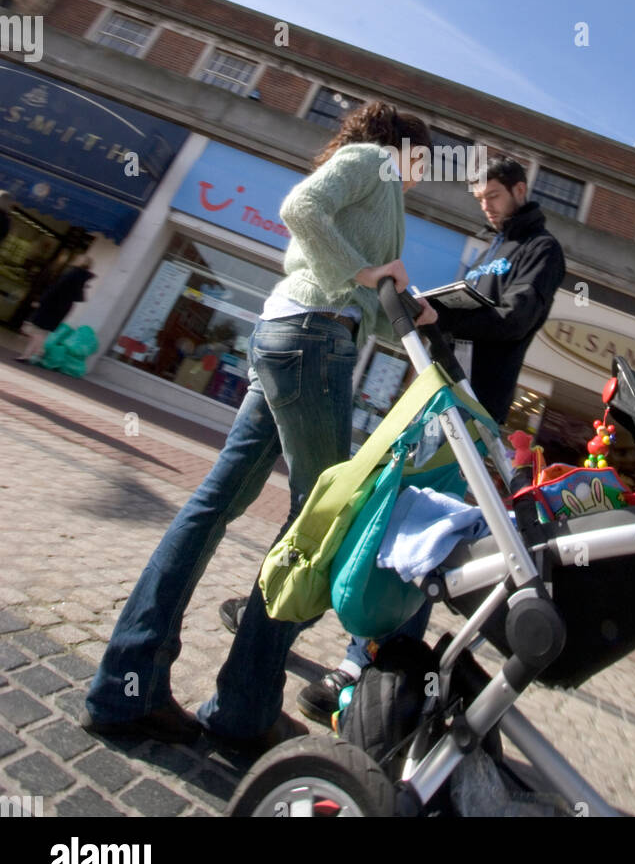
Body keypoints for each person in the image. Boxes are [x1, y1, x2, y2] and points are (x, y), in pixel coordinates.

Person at [83, 101, 436, 751]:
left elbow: (366, 304)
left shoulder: (381, 196)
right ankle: (243, 710)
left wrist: (416, 312)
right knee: (318, 522)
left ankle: (125, 684)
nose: (420, 176)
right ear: (405, 148)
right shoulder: (373, 163)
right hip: (313, 340)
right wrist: (366, 273)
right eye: (423, 163)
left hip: (294, 335)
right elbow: (301, 208)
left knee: (216, 502)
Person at [292, 152, 567, 723]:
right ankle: (380, 669)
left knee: (424, 536)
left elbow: (513, 319)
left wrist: (443, 318)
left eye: (493, 197)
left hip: (471, 411)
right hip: (434, 397)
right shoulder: (491, 246)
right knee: (403, 527)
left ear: (519, 189)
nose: (486, 208)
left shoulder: (541, 252)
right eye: (479, 201)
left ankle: (365, 673)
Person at [16, 254, 94, 363]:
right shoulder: (82, 278)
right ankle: (28, 355)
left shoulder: (72, 273)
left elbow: (55, 289)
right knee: (42, 332)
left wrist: (41, 300)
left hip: (51, 305)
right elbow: (79, 297)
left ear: (81, 262)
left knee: (37, 331)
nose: (75, 259)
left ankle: (37, 352)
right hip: (63, 308)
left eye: (78, 259)